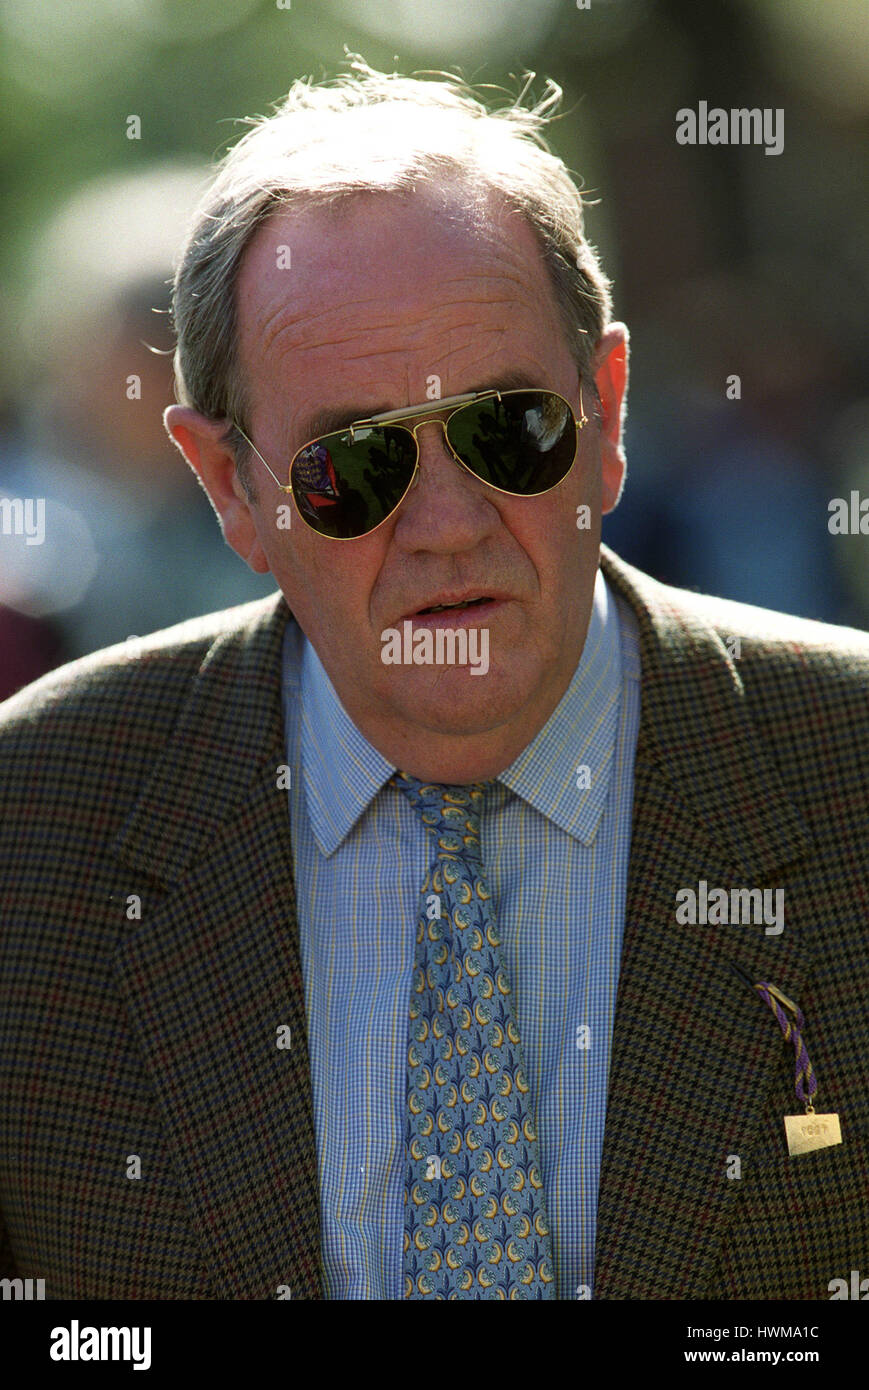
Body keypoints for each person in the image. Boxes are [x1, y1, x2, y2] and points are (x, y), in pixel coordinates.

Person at [1, 57, 867, 1302]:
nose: (448, 522)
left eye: (506, 426)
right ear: (231, 490)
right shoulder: (34, 829)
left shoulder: (841, 766)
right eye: (353, 466)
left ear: (607, 414)